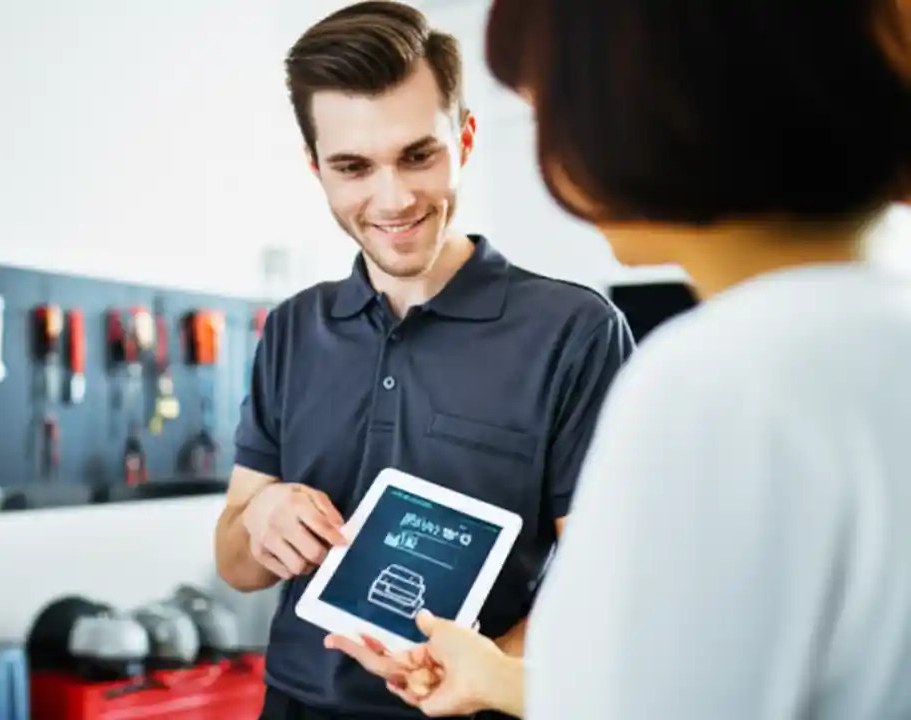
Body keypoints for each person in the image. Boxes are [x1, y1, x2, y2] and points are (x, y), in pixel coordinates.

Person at [332, 0, 911, 717]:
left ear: (631, 108)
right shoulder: (877, 334)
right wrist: (496, 676)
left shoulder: (710, 380)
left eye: (545, 107)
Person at [212, 2, 635, 718]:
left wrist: (490, 666)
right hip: (291, 705)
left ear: (464, 140)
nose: (394, 197)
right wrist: (262, 516)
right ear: (317, 169)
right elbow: (235, 562)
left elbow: (606, 582)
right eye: (353, 166)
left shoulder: (574, 332)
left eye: (418, 155)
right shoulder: (290, 329)